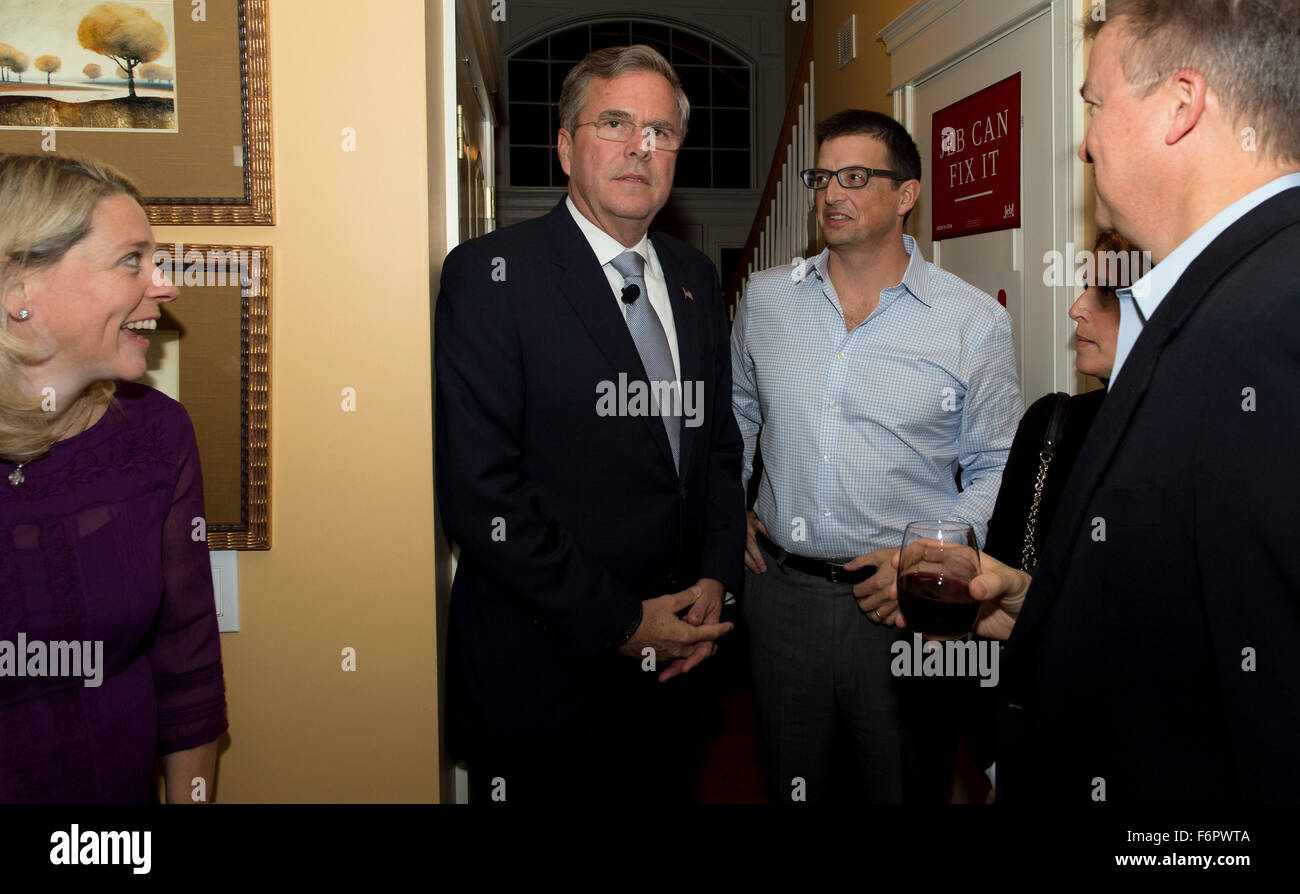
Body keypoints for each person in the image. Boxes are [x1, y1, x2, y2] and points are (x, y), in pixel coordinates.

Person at [894, 0, 1300, 802]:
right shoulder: (1214, 299)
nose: (1083, 145)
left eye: (1093, 105)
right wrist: (1039, 606)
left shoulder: (1270, 322)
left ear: (1181, 106)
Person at [435, 45, 744, 804]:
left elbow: (718, 449)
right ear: (566, 146)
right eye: (615, 123)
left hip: (677, 679)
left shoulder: (696, 277)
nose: (641, 147)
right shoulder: (492, 274)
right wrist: (621, 622)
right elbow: (482, 496)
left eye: (662, 131)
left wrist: (714, 576)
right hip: (546, 684)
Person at [730, 109, 1022, 803]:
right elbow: (736, 419)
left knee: (903, 787)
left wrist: (932, 560)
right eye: (822, 176)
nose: (832, 193)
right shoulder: (767, 301)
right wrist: (729, 506)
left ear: (907, 194)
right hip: (782, 597)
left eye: (856, 177)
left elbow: (996, 462)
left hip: (904, 606)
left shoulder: (972, 321)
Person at [0, 153, 227, 803]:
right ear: (20, 287)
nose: (165, 285)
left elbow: (188, 670)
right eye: (132, 260)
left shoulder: (157, 435)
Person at [969, 230, 1136, 797]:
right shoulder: (1050, 424)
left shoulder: (1209, 446)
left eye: (1106, 293)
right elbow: (991, 609)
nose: (1076, 307)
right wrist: (1000, 760)